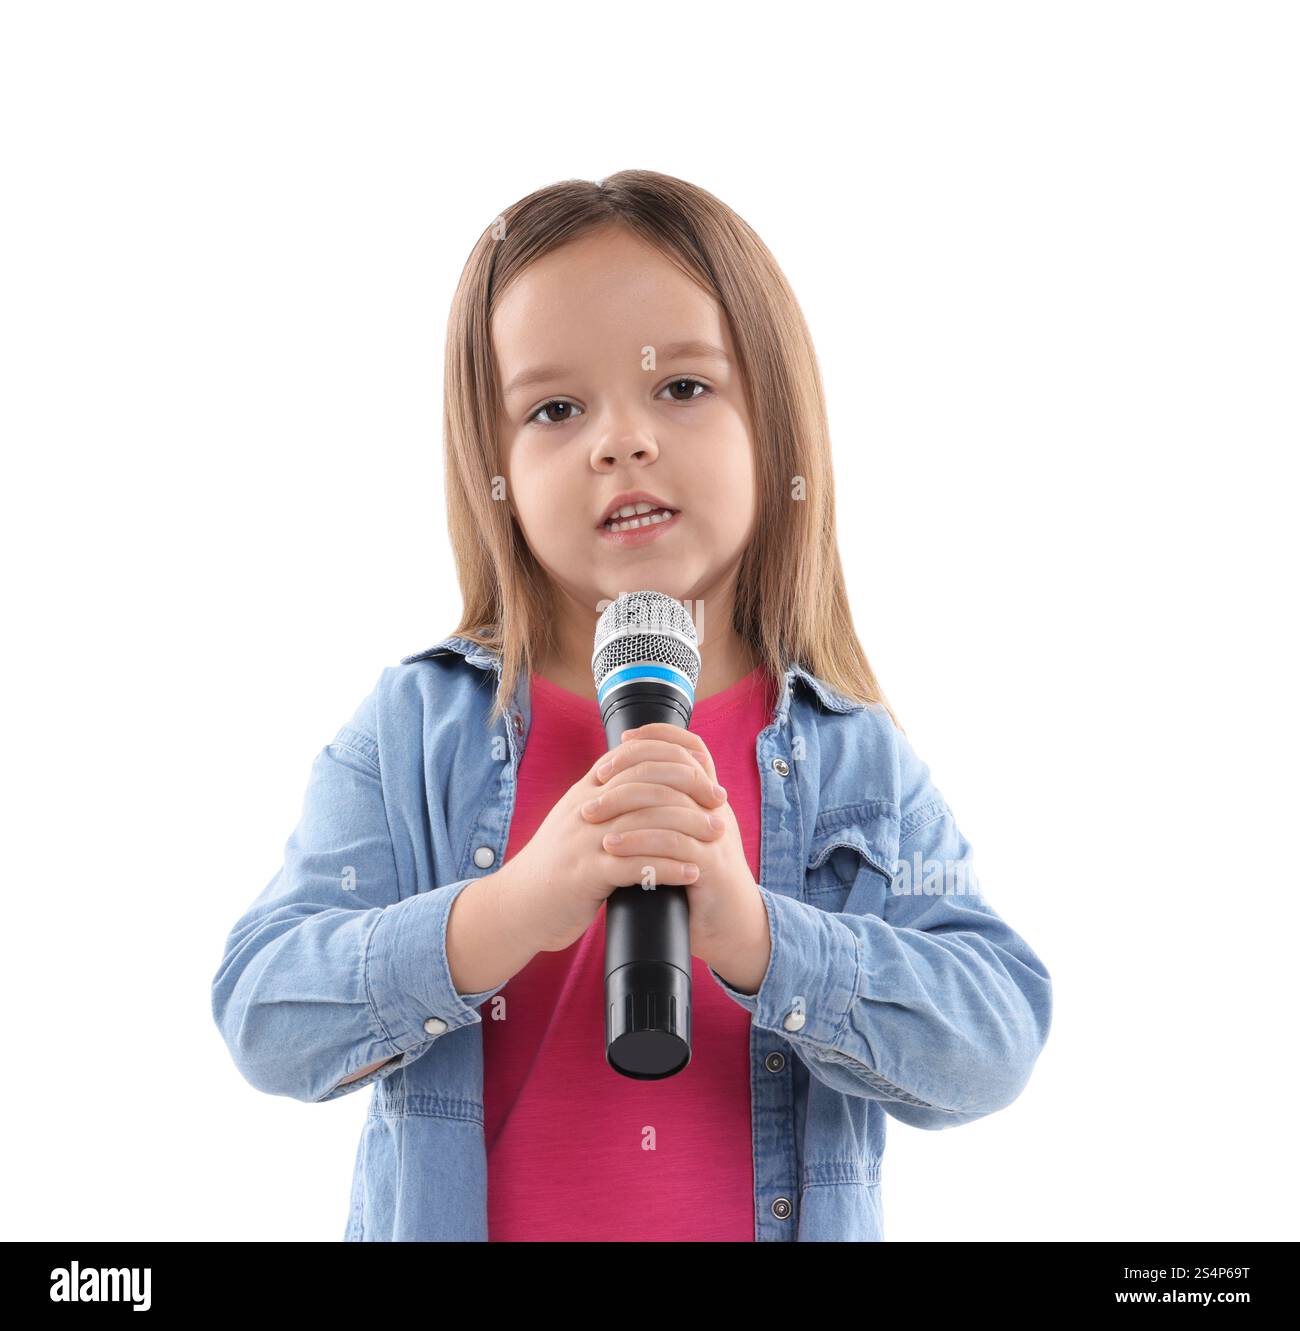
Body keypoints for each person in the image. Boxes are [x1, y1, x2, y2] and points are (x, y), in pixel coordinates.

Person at [211, 169, 1053, 1242]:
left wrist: (758, 937)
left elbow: (994, 1036)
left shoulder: (853, 759)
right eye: (554, 408)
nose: (622, 440)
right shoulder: (413, 729)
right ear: (495, 469)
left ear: (775, 422)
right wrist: (510, 908)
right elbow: (264, 1011)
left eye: (683, 387)